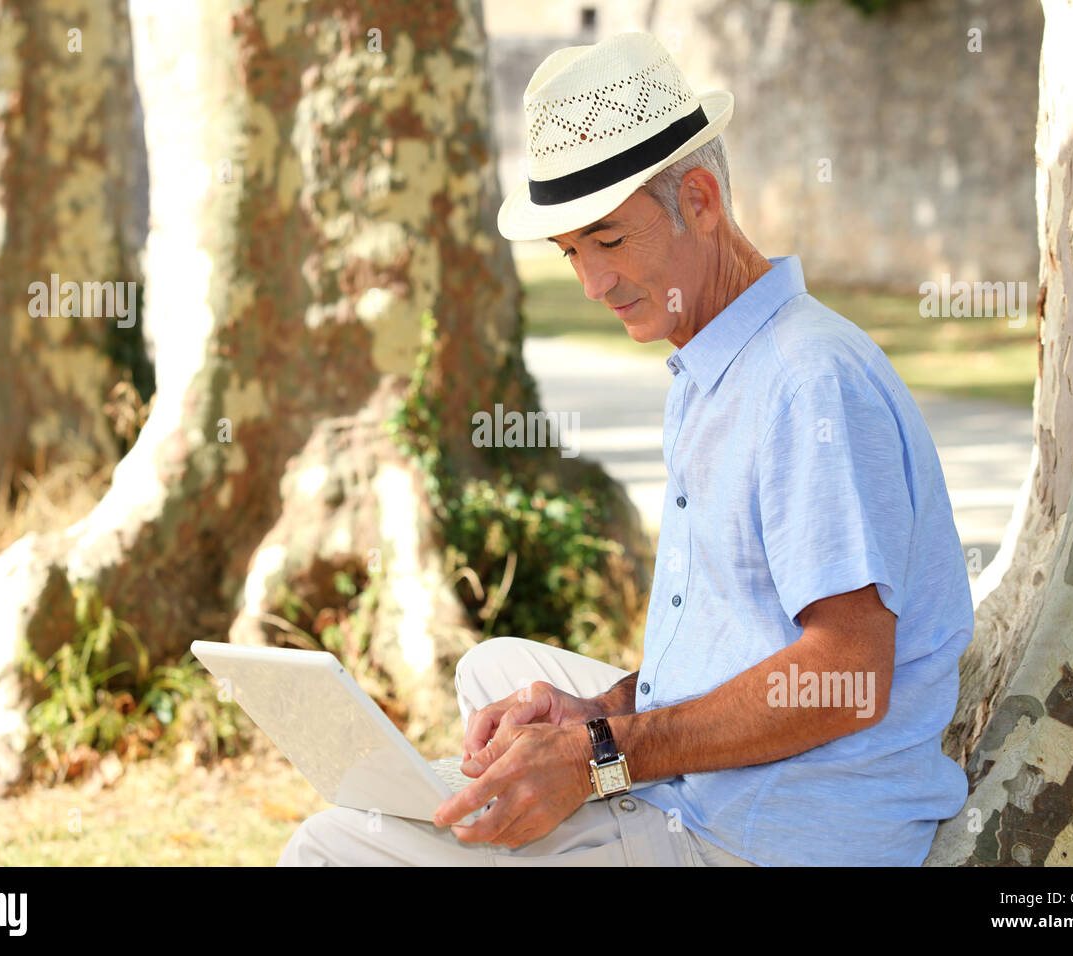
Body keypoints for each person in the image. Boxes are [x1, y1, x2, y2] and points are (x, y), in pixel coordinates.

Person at [278, 30, 973, 867]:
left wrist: (605, 755)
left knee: (328, 847)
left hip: (764, 836)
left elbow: (850, 676)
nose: (593, 285)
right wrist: (597, 712)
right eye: (570, 253)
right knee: (497, 675)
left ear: (704, 202)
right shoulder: (714, 361)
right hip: (712, 792)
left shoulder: (807, 382)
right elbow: (740, 634)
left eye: (609, 241)